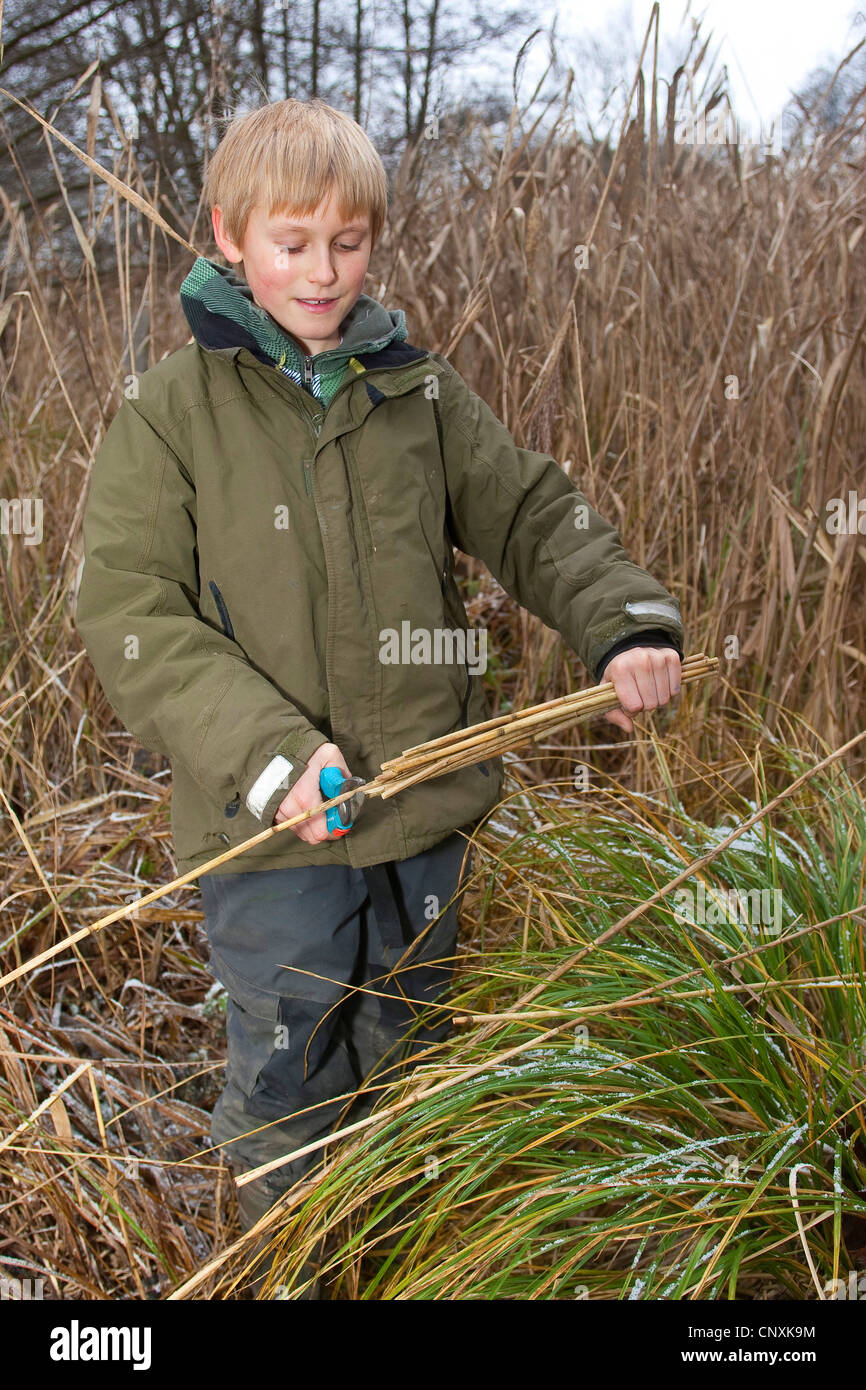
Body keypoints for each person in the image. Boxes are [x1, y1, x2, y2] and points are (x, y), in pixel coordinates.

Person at [75, 97, 685, 1287]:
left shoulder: (416, 392)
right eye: (292, 242)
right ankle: (289, 1263)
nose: (320, 270)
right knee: (291, 1065)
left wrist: (624, 624)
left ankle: (403, 1255)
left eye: (347, 242)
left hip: (422, 811)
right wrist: (270, 762)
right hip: (272, 836)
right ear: (230, 236)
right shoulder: (169, 414)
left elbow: (528, 510)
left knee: (411, 1047)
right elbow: (130, 614)